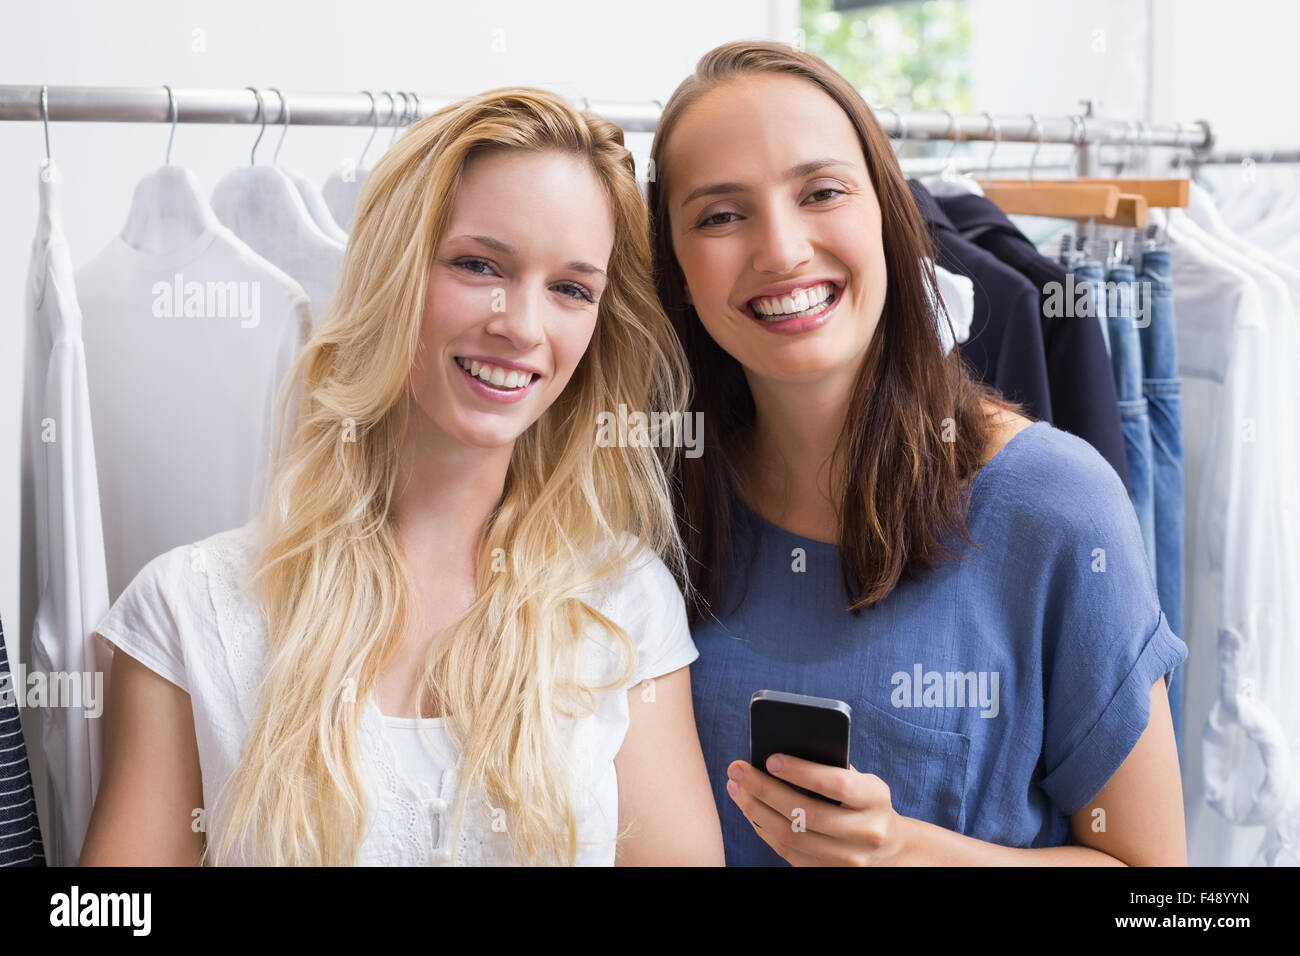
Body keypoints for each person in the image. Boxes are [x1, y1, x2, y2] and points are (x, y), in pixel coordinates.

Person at [80, 88, 724, 867]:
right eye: (479, 264)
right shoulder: (187, 612)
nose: (521, 326)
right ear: (391, 273)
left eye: (570, 289)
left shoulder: (624, 604)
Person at [646, 41, 1188, 865]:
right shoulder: (656, 501)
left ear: (889, 219)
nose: (782, 250)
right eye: (721, 215)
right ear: (678, 269)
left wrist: (905, 852)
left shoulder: (1056, 504)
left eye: (821, 192)